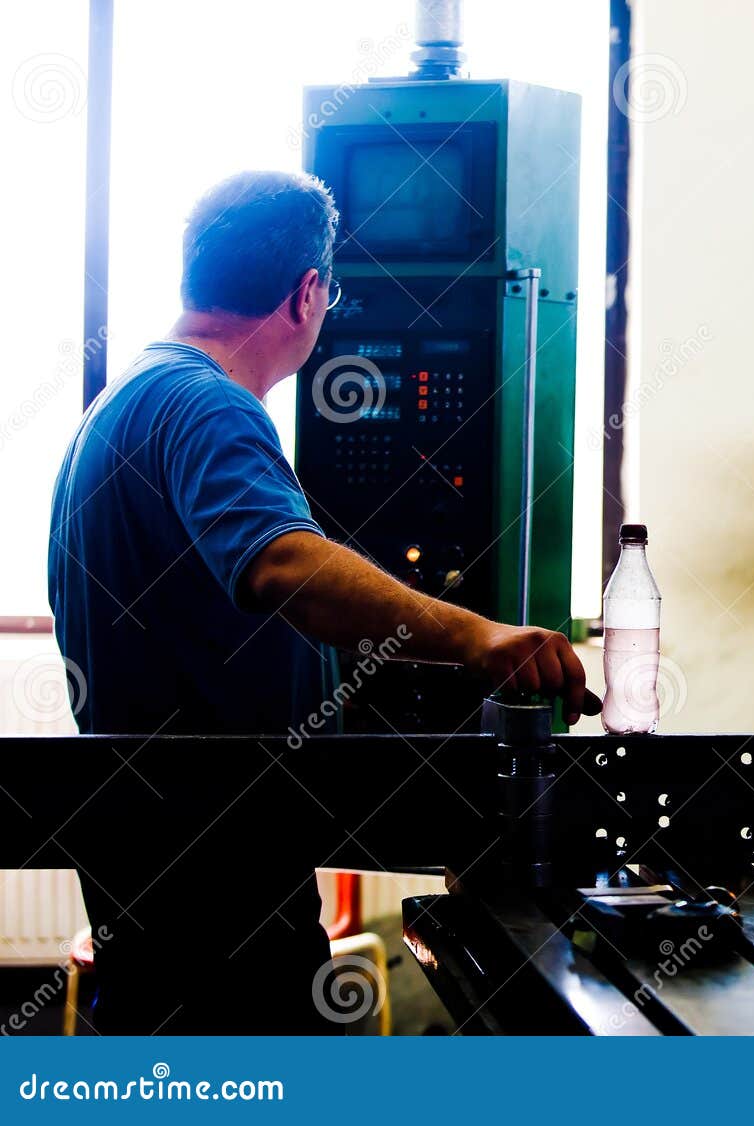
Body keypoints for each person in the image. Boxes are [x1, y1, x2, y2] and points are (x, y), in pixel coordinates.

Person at [47, 170, 595, 1033]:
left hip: (159, 880)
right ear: (309, 293)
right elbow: (283, 565)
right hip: (215, 896)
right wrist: (478, 636)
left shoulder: (121, 405)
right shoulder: (203, 406)